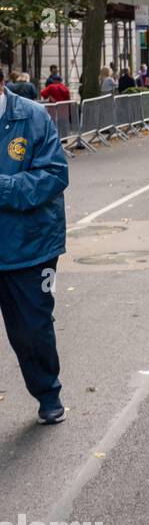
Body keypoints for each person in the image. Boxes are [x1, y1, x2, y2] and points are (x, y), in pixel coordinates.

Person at [0, 67, 69, 424]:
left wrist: (3, 187)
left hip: (29, 247)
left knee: (30, 328)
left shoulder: (32, 116)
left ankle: (47, 392)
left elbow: (55, 175)